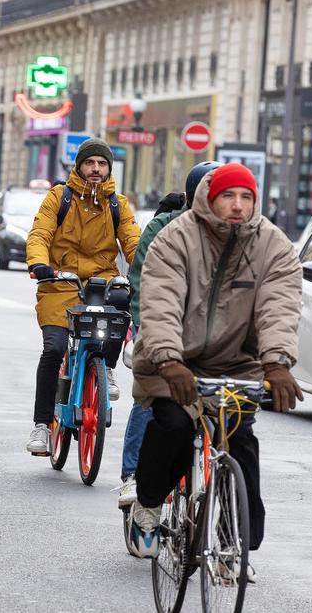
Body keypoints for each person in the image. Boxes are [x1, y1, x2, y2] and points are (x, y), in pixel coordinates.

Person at [126, 163, 303, 580]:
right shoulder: (176, 237)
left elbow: (279, 308)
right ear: (209, 198)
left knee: (240, 440)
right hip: (172, 362)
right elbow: (160, 301)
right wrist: (168, 360)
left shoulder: (273, 246)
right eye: (228, 196)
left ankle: (233, 542)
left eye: (246, 197)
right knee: (172, 426)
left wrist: (277, 363)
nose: (237, 206)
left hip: (235, 364)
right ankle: (148, 504)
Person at [23, 138, 141, 455]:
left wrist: (145, 268)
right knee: (54, 348)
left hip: (100, 283)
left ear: (108, 168)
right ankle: (40, 426)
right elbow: (40, 233)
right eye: (90, 163)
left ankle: (107, 367)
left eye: (102, 164)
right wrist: (38, 263)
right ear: (79, 166)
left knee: (120, 302)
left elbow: (133, 243)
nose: (96, 169)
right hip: (60, 281)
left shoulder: (118, 205)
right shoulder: (58, 197)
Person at [117, 162, 220, 507]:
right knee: (151, 400)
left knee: (235, 412)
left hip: (214, 339)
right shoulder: (164, 228)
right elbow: (142, 282)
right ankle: (133, 475)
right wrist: (145, 333)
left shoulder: (240, 234)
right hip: (166, 329)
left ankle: (224, 497)